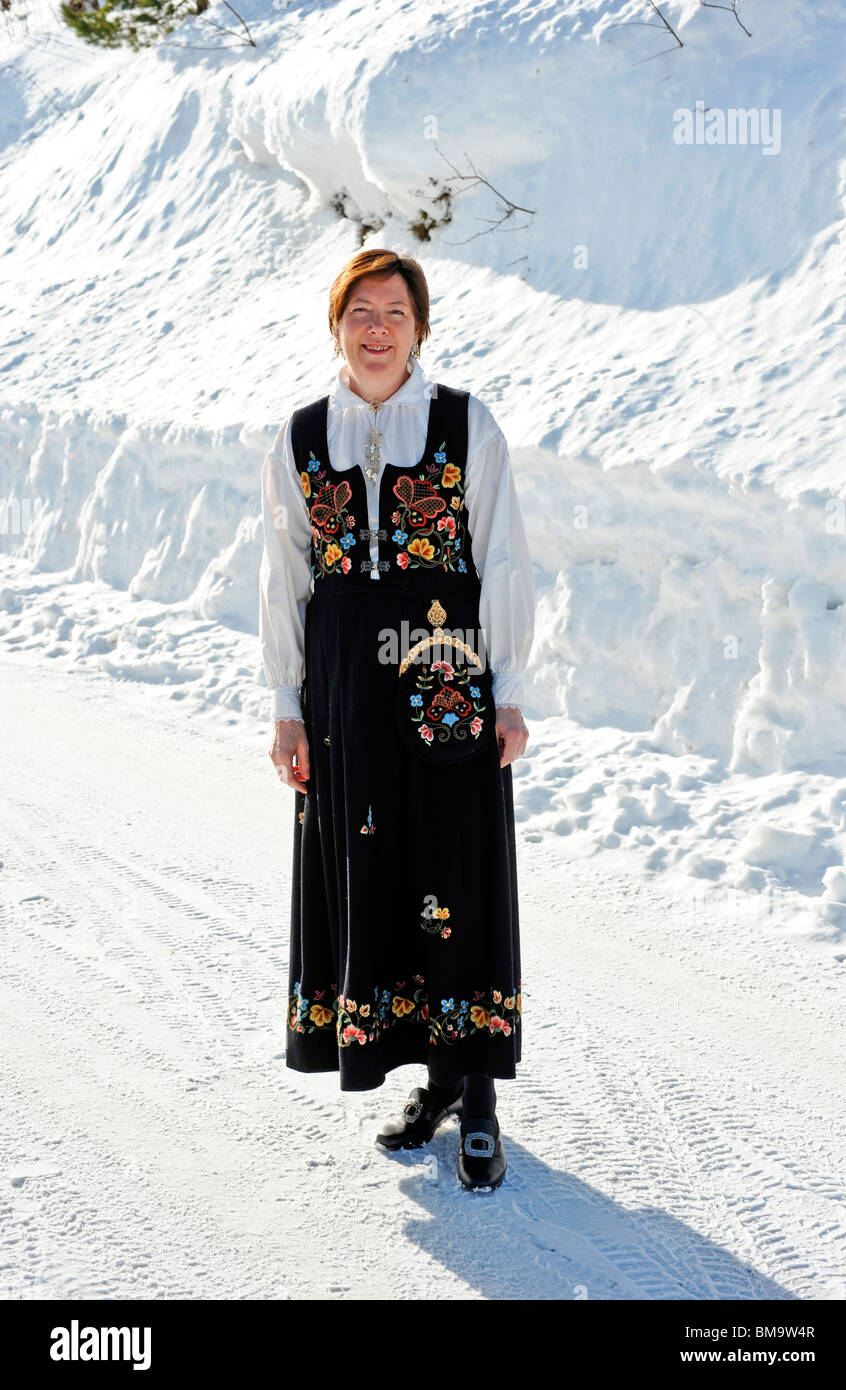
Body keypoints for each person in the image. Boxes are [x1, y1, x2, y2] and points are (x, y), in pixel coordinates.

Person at [258, 249, 534, 1192]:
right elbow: (284, 577)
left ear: (420, 327)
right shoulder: (300, 436)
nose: (377, 328)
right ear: (335, 326)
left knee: (454, 870)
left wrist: (511, 692)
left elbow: (502, 557)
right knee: (372, 868)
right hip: (343, 690)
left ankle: (478, 1091)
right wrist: (286, 708)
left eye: (395, 313)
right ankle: (430, 1080)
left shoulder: (465, 423)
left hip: (445, 674)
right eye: (359, 312)